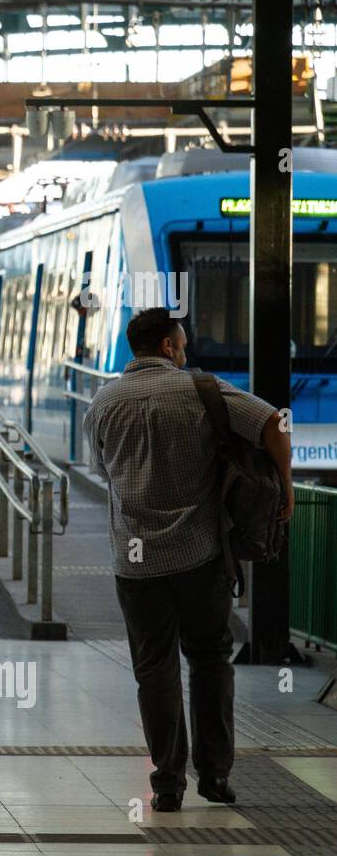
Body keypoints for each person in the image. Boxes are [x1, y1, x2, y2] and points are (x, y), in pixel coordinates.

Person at [84, 308, 292, 812]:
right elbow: (272, 423)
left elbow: (102, 468)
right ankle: (215, 776)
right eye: (182, 345)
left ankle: (168, 782)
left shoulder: (103, 402)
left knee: (153, 667)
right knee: (210, 660)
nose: (186, 352)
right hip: (200, 555)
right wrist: (284, 487)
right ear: (169, 347)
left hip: (136, 564)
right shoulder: (204, 391)